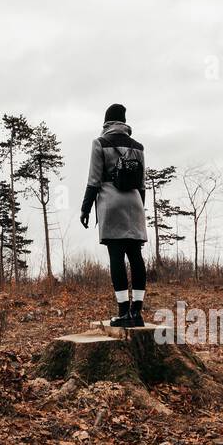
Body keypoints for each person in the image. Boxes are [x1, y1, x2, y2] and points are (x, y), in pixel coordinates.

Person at [80, 104, 148, 327]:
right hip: (135, 203)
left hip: (111, 203)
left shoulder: (100, 143)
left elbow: (94, 179)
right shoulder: (138, 146)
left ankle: (122, 311)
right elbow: (142, 184)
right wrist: (139, 210)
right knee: (136, 257)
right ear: (124, 122)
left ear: (106, 122)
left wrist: (86, 208)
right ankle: (136, 312)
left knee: (116, 256)